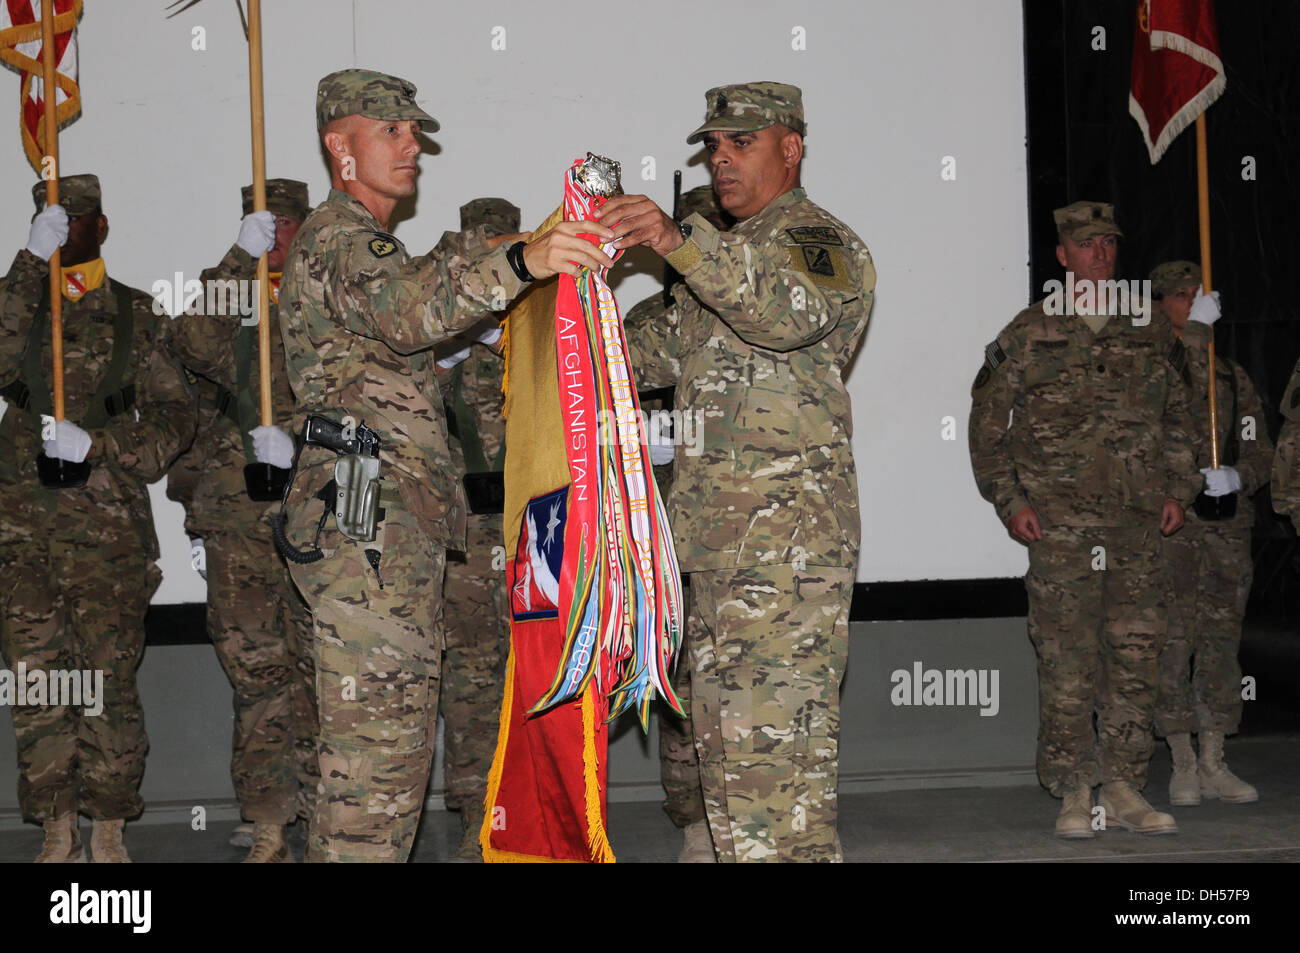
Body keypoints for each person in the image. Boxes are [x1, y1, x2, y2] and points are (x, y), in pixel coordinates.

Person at [277, 68, 614, 863]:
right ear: (339, 144)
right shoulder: (340, 238)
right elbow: (409, 307)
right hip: (365, 517)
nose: (411, 148)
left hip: (388, 525)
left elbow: (417, 310)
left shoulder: (366, 245)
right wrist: (524, 260)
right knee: (375, 769)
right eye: (390, 130)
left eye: (415, 134)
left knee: (384, 764)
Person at [600, 82, 877, 862]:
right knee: (730, 778)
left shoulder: (817, 243)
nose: (720, 159)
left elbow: (783, 315)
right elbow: (633, 354)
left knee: (778, 776)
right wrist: (570, 281)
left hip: (786, 552)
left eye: (740, 143)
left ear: (791, 147)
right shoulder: (708, 270)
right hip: (711, 552)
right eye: (713, 147)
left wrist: (679, 241)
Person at [969, 201, 1200, 839]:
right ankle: (1075, 789)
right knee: (1067, 660)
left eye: (1108, 243)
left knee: (1134, 656)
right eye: (1086, 243)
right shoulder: (1027, 332)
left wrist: (1180, 486)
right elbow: (987, 426)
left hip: (1135, 526)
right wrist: (1011, 501)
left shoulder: (1151, 329)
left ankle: (1124, 786)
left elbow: (1182, 417)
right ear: (1063, 256)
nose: (1100, 253)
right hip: (1063, 530)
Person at [0, 174, 195, 862]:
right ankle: (55, 825)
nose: (63, 229)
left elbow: (177, 417)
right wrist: (27, 262)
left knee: (108, 682)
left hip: (109, 534)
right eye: (49, 219)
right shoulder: (21, 308)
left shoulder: (139, 316)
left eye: (74, 219)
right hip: (23, 529)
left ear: (102, 227)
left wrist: (107, 444)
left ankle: (109, 824)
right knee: (37, 681)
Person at [167, 179, 320, 862]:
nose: (277, 235)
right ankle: (266, 818)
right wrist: (236, 261)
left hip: (318, 512)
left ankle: (322, 811)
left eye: (288, 222)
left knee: (323, 669)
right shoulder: (227, 293)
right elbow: (192, 345)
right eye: (266, 223)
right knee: (257, 670)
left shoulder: (330, 289)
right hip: (236, 514)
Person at [622, 184, 732, 863]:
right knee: (681, 674)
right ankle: (693, 814)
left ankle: (736, 809)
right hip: (662, 522)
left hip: (734, 521)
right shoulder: (641, 319)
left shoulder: (743, 314)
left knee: (735, 674)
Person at [1150, 260, 1267, 806]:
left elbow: (1262, 450)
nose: (1191, 303)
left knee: (1220, 644)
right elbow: (1177, 394)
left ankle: (1215, 758)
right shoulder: (1148, 364)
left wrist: (1240, 474)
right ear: (1157, 304)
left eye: (1198, 296)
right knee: (1174, 641)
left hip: (1226, 528)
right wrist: (1194, 334)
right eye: (1179, 296)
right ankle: (1182, 761)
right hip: (1173, 524)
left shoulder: (1233, 378)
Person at [432, 197, 518, 862]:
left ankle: (533, 808)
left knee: (537, 667)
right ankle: (474, 811)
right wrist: (442, 362)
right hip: (461, 532)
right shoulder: (433, 329)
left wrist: (511, 341)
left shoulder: (541, 324)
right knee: (468, 673)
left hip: (529, 530)